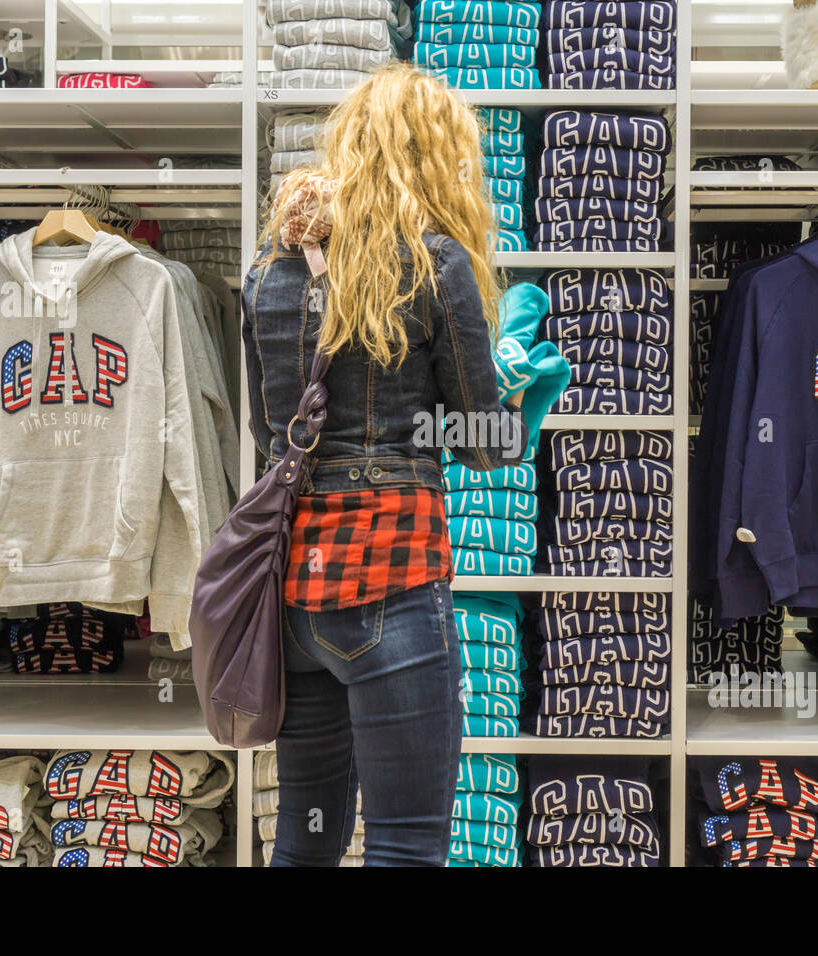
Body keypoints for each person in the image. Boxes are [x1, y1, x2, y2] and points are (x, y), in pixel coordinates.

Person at [243, 63, 528, 867]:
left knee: (304, 840)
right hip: (392, 582)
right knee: (405, 845)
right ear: (436, 156)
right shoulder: (436, 263)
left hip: (295, 592)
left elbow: (277, 431)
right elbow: (482, 440)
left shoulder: (269, 269)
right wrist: (525, 399)